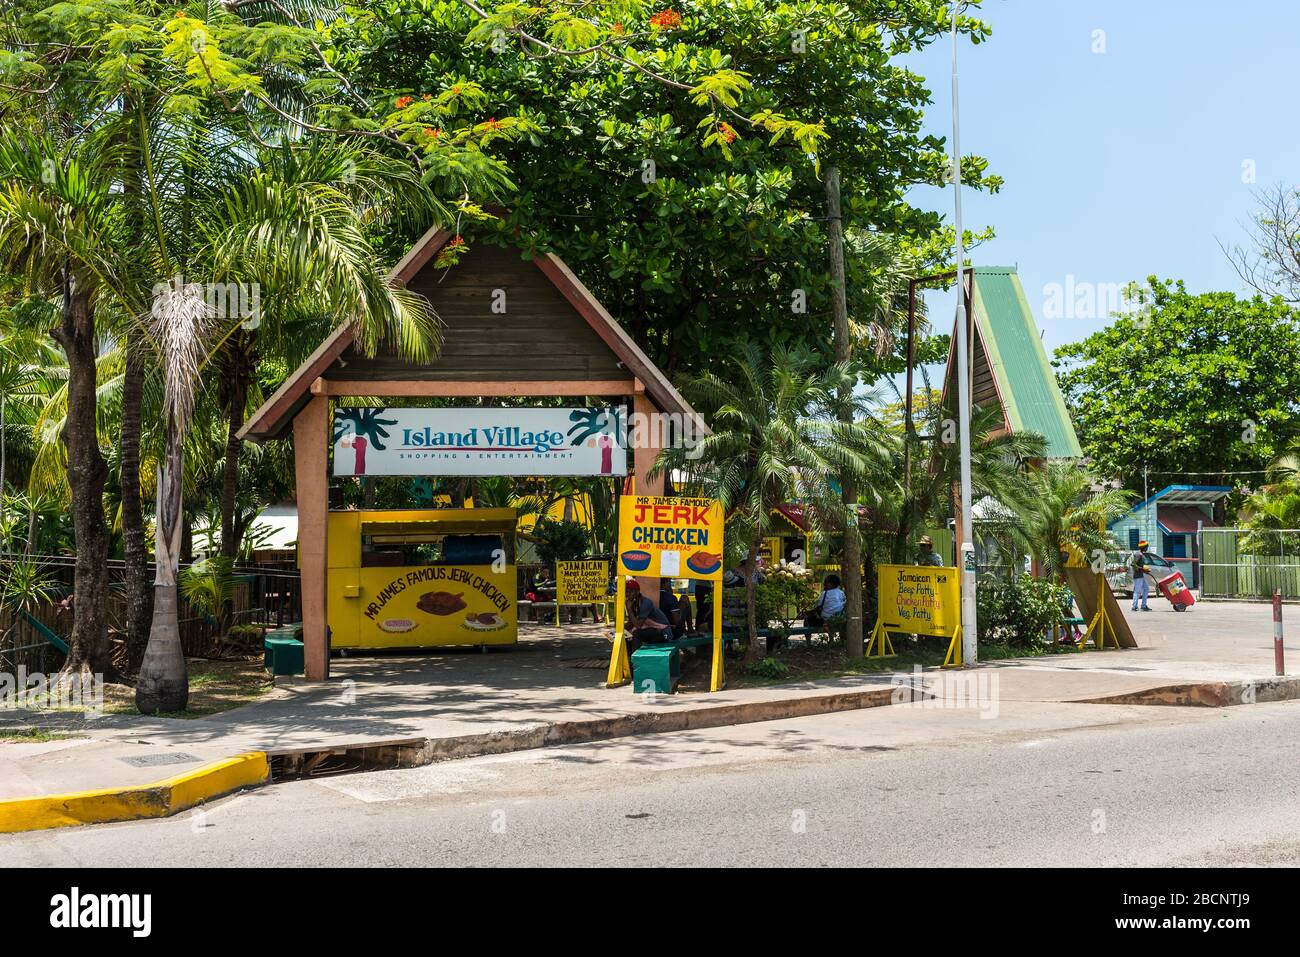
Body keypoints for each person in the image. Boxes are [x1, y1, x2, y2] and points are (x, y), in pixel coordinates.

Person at [624, 580, 672, 653]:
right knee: (625, 635)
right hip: (653, 630)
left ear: (637, 592)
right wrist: (618, 631)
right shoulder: (633, 603)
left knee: (636, 633)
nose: (628, 594)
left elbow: (638, 625)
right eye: (626, 592)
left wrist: (629, 609)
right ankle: (627, 659)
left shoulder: (645, 603)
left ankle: (636, 659)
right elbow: (631, 622)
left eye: (631, 591)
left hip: (664, 632)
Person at [1129, 540, 1154, 611]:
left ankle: (1143, 606)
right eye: (1147, 547)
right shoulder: (1138, 554)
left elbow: (1139, 565)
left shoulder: (1141, 554)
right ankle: (1134, 607)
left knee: (1146, 589)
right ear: (1144, 547)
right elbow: (1133, 564)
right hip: (1138, 576)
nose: (1147, 548)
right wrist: (1142, 569)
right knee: (1137, 591)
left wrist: (1145, 570)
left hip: (1141, 575)